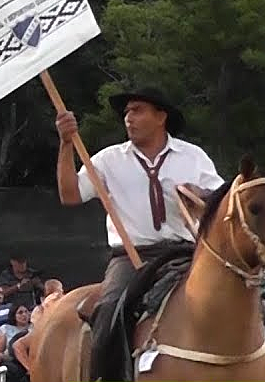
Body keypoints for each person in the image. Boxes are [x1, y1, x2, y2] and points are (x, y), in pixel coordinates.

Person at [54, 87, 224, 381]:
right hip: (131, 257)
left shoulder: (193, 157)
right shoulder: (109, 159)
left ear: (161, 116)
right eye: (127, 112)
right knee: (108, 309)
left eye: (137, 110)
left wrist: (201, 195)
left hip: (186, 252)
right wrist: (66, 144)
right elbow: (69, 195)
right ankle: (105, 377)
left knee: (228, 298)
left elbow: (221, 199)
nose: (128, 118)